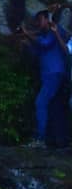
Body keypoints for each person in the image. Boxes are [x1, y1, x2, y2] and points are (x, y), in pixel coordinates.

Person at [19, 9, 70, 148]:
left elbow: (45, 44)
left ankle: (40, 139)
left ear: (47, 19)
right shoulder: (44, 35)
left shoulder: (55, 31)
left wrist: (28, 34)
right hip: (48, 75)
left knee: (40, 102)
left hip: (55, 74)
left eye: (40, 19)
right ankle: (53, 140)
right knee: (53, 108)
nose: (37, 23)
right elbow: (38, 52)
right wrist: (27, 43)